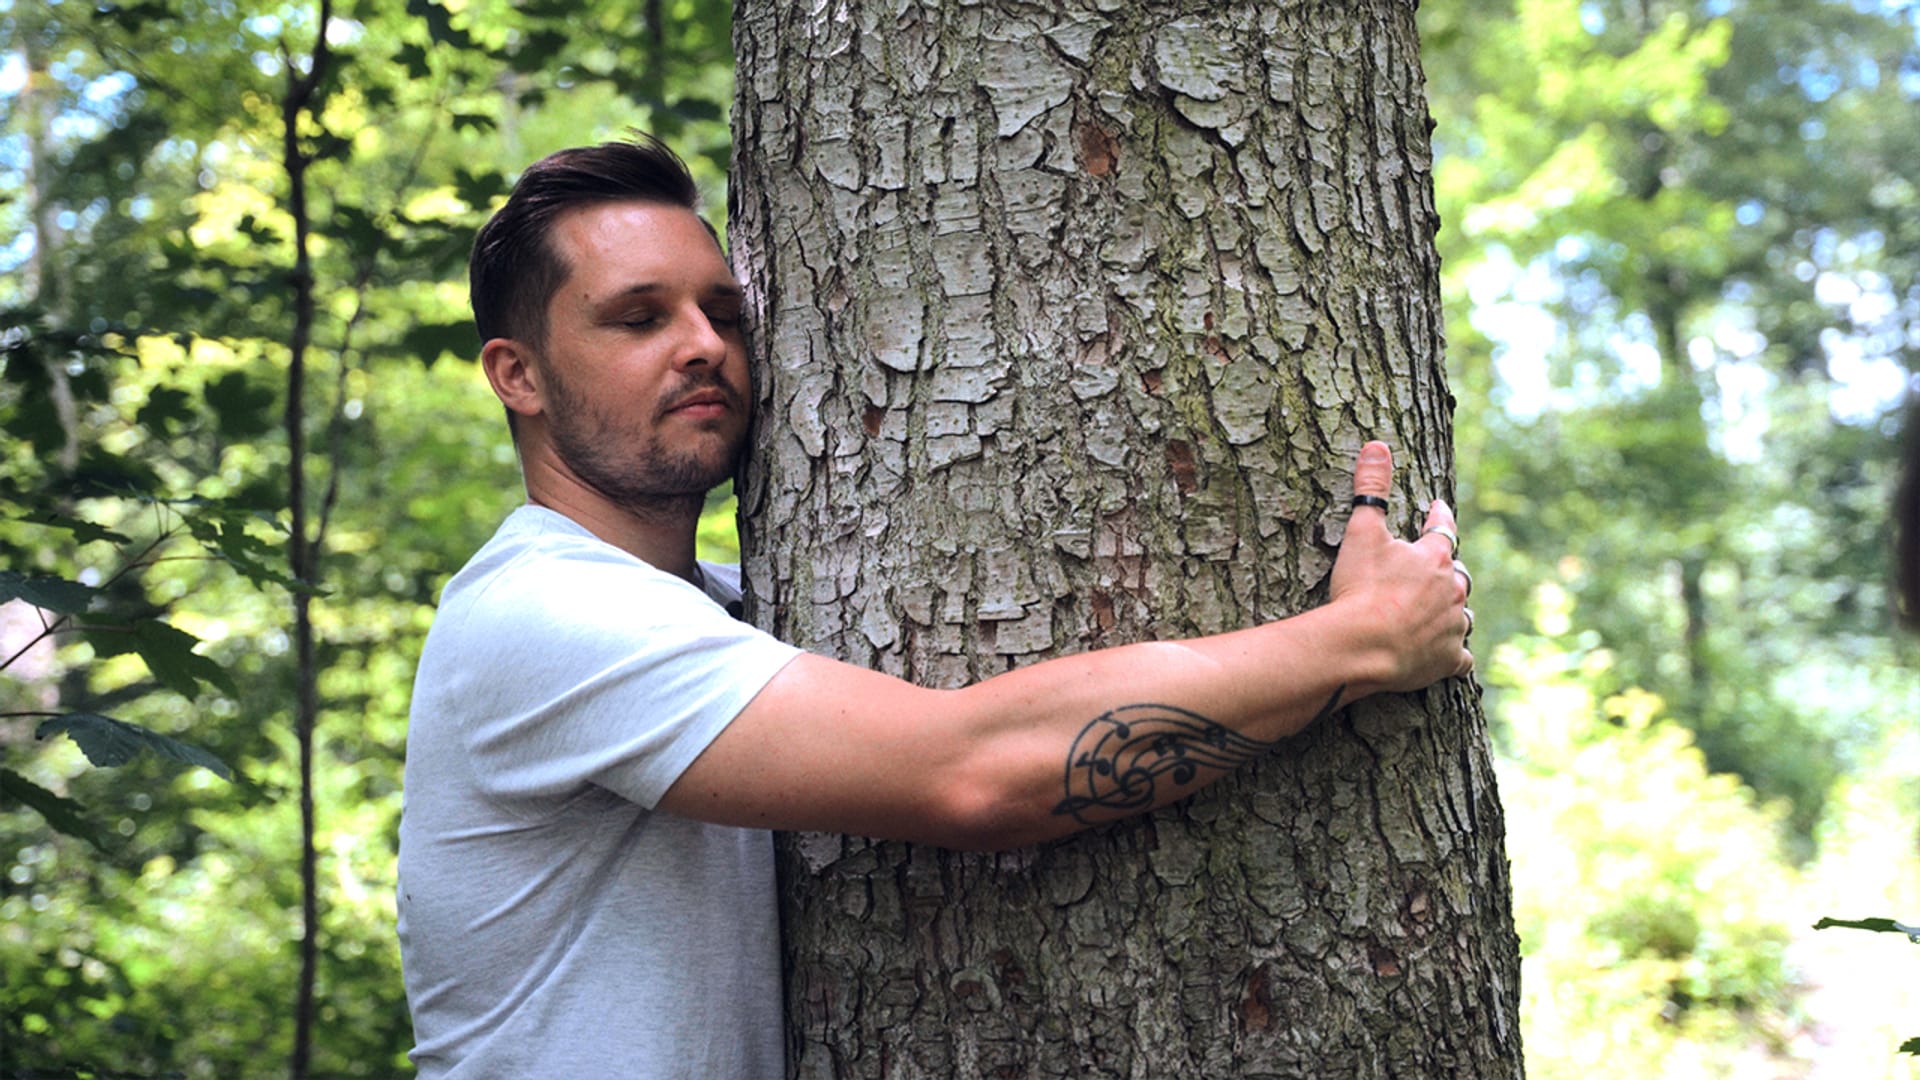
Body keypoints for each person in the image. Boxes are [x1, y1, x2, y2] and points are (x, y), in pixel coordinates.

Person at [395, 135, 1476, 1078]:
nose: (704, 345)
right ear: (518, 376)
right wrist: (1358, 641)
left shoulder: (718, 615)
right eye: (638, 318)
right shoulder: (539, 614)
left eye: (722, 311)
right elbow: (973, 774)